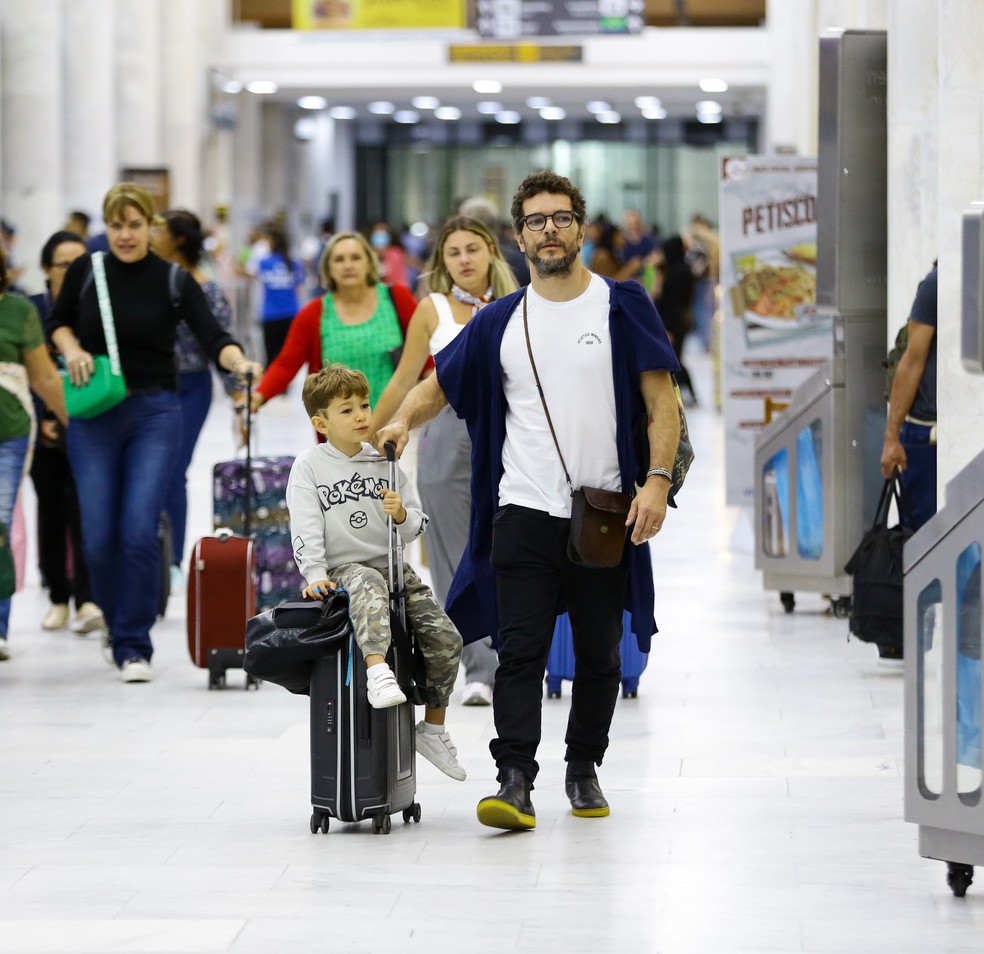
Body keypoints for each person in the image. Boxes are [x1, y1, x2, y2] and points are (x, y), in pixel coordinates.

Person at [375, 170, 681, 830]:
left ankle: (583, 766)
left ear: (580, 226)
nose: (549, 229)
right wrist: (402, 421)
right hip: (522, 508)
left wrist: (655, 482)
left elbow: (662, 401)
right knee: (522, 651)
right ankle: (513, 777)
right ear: (519, 236)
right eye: (536, 220)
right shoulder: (500, 320)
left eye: (561, 217)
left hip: (602, 511)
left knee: (600, 652)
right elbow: (441, 383)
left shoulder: (621, 305)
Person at [46, 182, 263, 683]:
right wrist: (72, 349)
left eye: (135, 224)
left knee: (140, 530)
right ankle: (114, 621)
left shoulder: (172, 279)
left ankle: (132, 643)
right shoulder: (87, 271)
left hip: (156, 412)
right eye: (116, 225)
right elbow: (55, 322)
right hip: (96, 413)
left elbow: (214, 337)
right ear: (107, 226)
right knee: (98, 537)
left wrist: (239, 363)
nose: (125, 235)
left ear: (151, 227)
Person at [286, 364, 465, 781]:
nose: (362, 416)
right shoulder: (310, 466)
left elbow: (418, 523)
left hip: (394, 567)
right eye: (346, 410)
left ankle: (433, 728)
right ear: (321, 422)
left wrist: (401, 514)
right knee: (366, 585)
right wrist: (314, 573)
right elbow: (305, 524)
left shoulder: (384, 461)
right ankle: (376, 672)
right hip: (344, 569)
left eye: (364, 405)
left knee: (446, 637)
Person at [372, 215, 519, 707]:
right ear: (442, 263)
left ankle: (515, 658)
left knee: (513, 547)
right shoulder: (431, 309)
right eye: (453, 252)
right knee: (453, 553)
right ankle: (478, 669)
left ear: (491, 253)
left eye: (473, 249)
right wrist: (375, 428)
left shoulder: (517, 303)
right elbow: (404, 380)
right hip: (444, 431)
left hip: (508, 432)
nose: (464, 259)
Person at [150, 208, 243, 590]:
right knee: (152, 469)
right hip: (152, 384)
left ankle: (171, 559)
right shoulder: (148, 281)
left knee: (175, 468)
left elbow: (218, 340)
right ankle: (150, 550)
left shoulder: (206, 288)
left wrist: (238, 394)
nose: (152, 235)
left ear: (178, 240)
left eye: (158, 229)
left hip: (191, 387)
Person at [249, 231, 421, 417]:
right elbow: (287, 363)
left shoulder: (397, 298)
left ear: (369, 263)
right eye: (339, 259)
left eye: (356, 258)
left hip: (394, 424)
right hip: (338, 433)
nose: (348, 265)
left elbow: (425, 351)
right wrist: (258, 397)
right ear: (328, 268)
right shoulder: (314, 313)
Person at [29, 230, 104, 634]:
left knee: (86, 511)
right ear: (47, 269)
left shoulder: (96, 311)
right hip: (43, 430)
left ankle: (87, 598)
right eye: (64, 264)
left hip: (90, 426)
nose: (74, 271)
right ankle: (57, 595)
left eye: (82, 263)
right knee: (50, 509)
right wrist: (43, 416)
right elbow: (28, 371)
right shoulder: (33, 310)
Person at [0, 246, 70, 661]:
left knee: (0, 523)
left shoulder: (20, 311)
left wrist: (75, 426)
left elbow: (43, 376)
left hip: (8, 432)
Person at [879, 261, 938, 664]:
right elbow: (912, 361)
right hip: (925, 434)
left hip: (945, 433)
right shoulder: (937, 283)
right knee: (921, 540)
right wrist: (892, 435)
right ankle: (915, 639)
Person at [246, 221, 305, 366]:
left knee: (270, 355)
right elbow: (299, 289)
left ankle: (272, 385)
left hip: (270, 314)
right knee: (286, 353)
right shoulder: (294, 263)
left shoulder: (264, 262)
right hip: (291, 313)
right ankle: (284, 384)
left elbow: (249, 273)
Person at [654, 235, 698, 406]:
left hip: (674, 323)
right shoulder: (681, 269)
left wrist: (668, 328)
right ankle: (689, 394)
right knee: (677, 358)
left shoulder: (676, 273)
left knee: (675, 359)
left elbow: (670, 301)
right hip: (680, 321)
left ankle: (688, 394)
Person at [369, 222, 409, 287]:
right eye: (377, 234)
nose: (380, 237)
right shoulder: (369, 253)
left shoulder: (396, 253)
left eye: (382, 234)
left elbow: (394, 275)